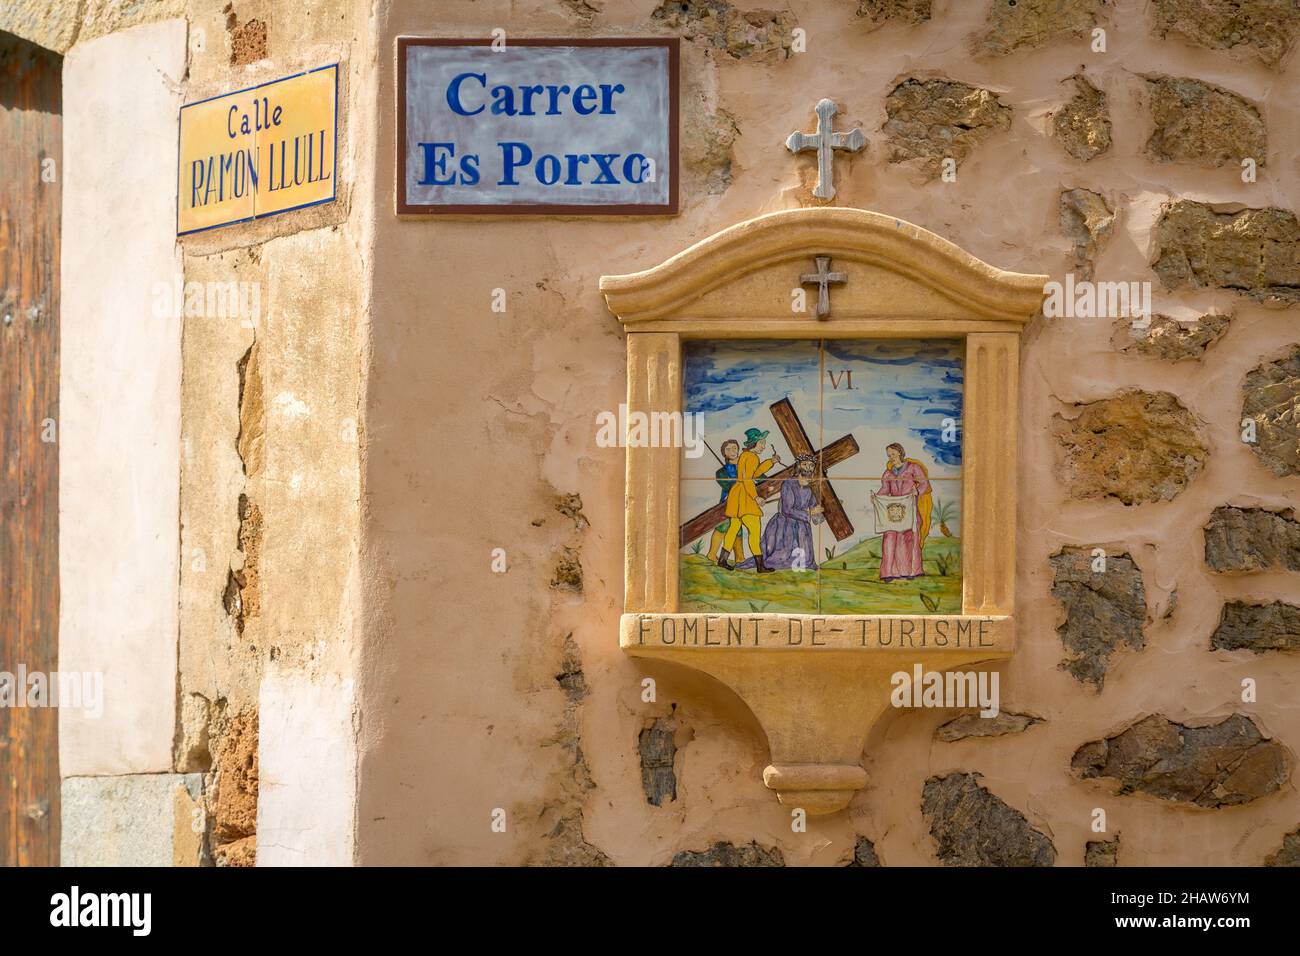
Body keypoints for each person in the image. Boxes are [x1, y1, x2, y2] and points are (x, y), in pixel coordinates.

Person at [738, 453, 823, 571]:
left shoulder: (809, 489)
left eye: (811, 465)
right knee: (781, 558)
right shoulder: (789, 483)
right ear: (798, 466)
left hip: (802, 528)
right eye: (805, 464)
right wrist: (808, 514)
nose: (808, 468)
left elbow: (815, 513)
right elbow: (787, 510)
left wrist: (819, 512)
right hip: (785, 526)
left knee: (806, 561)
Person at [719, 427, 781, 573]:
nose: (764, 446)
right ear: (754, 443)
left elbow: (755, 473)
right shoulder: (750, 457)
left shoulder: (748, 456)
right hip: (745, 495)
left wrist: (771, 462)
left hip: (738, 494)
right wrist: (756, 497)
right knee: (754, 529)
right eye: (762, 443)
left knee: (733, 528)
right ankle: (760, 566)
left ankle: (722, 560)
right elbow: (748, 479)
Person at [871, 442, 932, 581]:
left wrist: (917, 491)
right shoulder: (888, 473)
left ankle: (911, 571)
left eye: (893, 454)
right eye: (888, 455)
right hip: (893, 511)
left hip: (910, 509)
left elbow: (925, 484)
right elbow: (885, 489)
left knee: (908, 539)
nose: (890, 457)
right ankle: (889, 573)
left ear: (900, 452)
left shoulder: (913, 468)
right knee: (890, 537)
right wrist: (877, 497)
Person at [706, 440, 748, 565]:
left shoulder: (745, 466)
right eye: (728, 449)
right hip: (728, 502)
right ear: (724, 453)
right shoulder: (721, 472)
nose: (732, 451)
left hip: (742, 502)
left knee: (738, 529)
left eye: (734, 448)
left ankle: (740, 558)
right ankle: (712, 554)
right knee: (723, 526)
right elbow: (727, 486)